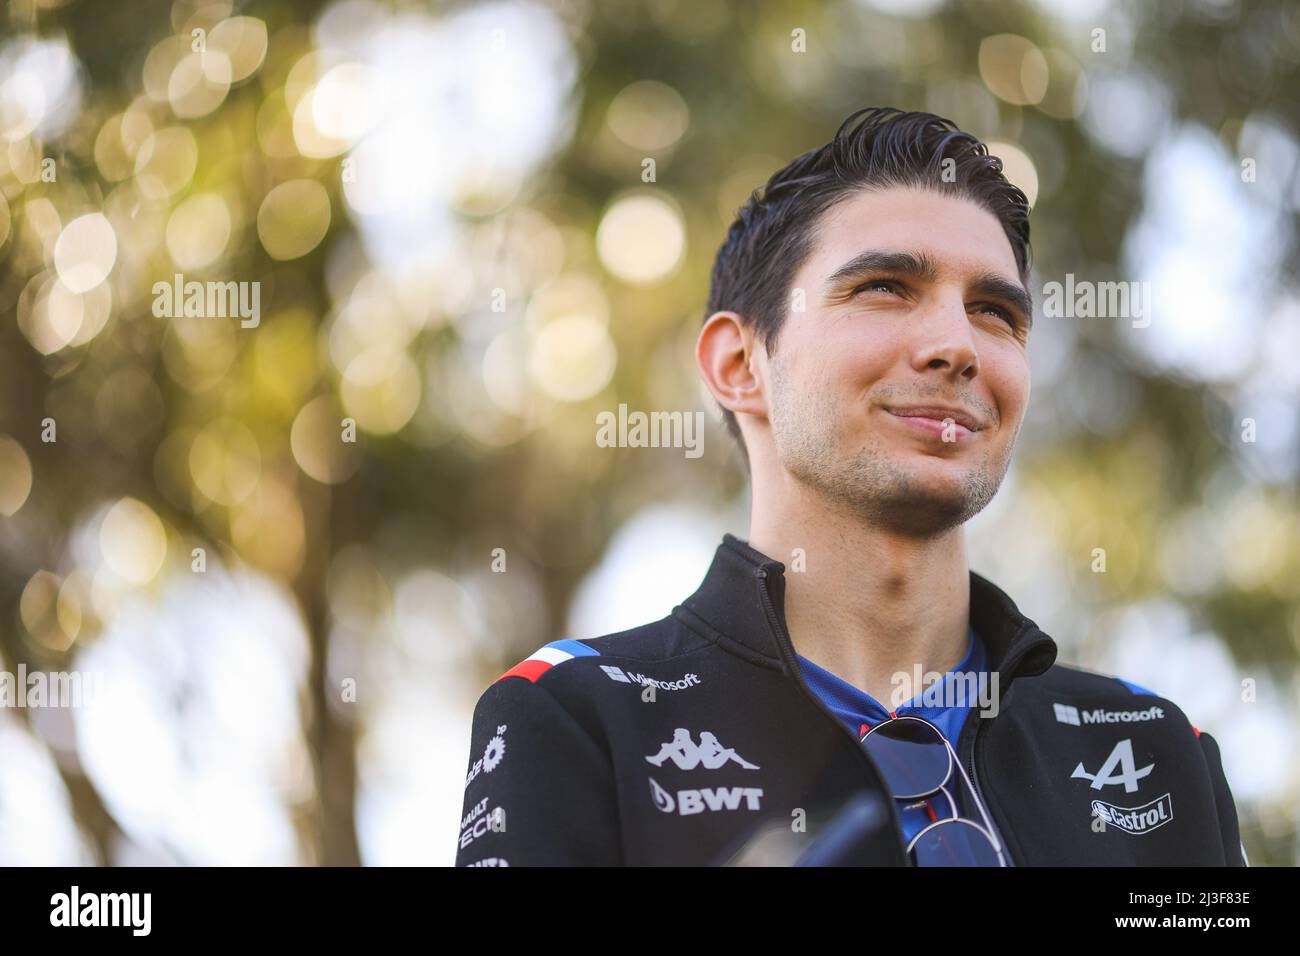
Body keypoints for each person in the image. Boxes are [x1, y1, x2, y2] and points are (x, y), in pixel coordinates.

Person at [454, 108, 1247, 867]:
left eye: (995, 312)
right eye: (885, 289)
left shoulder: (1154, 747)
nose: (956, 346)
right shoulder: (575, 716)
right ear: (740, 366)